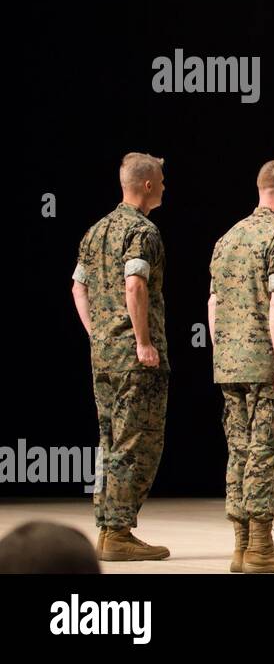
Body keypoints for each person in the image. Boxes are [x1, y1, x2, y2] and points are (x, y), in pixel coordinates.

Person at [209, 160, 274, 573]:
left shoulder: (228, 238)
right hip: (267, 364)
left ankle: (241, 546)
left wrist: (223, 352)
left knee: (241, 452)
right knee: (272, 452)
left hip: (231, 365)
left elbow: (214, 304)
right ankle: (261, 548)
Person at [71, 152, 170, 562]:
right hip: (135, 358)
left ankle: (110, 528)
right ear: (147, 185)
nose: (165, 186)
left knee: (110, 440)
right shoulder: (141, 230)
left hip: (105, 356)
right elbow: (135, 285)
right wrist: (142, 341)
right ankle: (118, 532)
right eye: (161, 181)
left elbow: (77, 288)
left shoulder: (95, 231)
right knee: (136, 441)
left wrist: (98, 334)